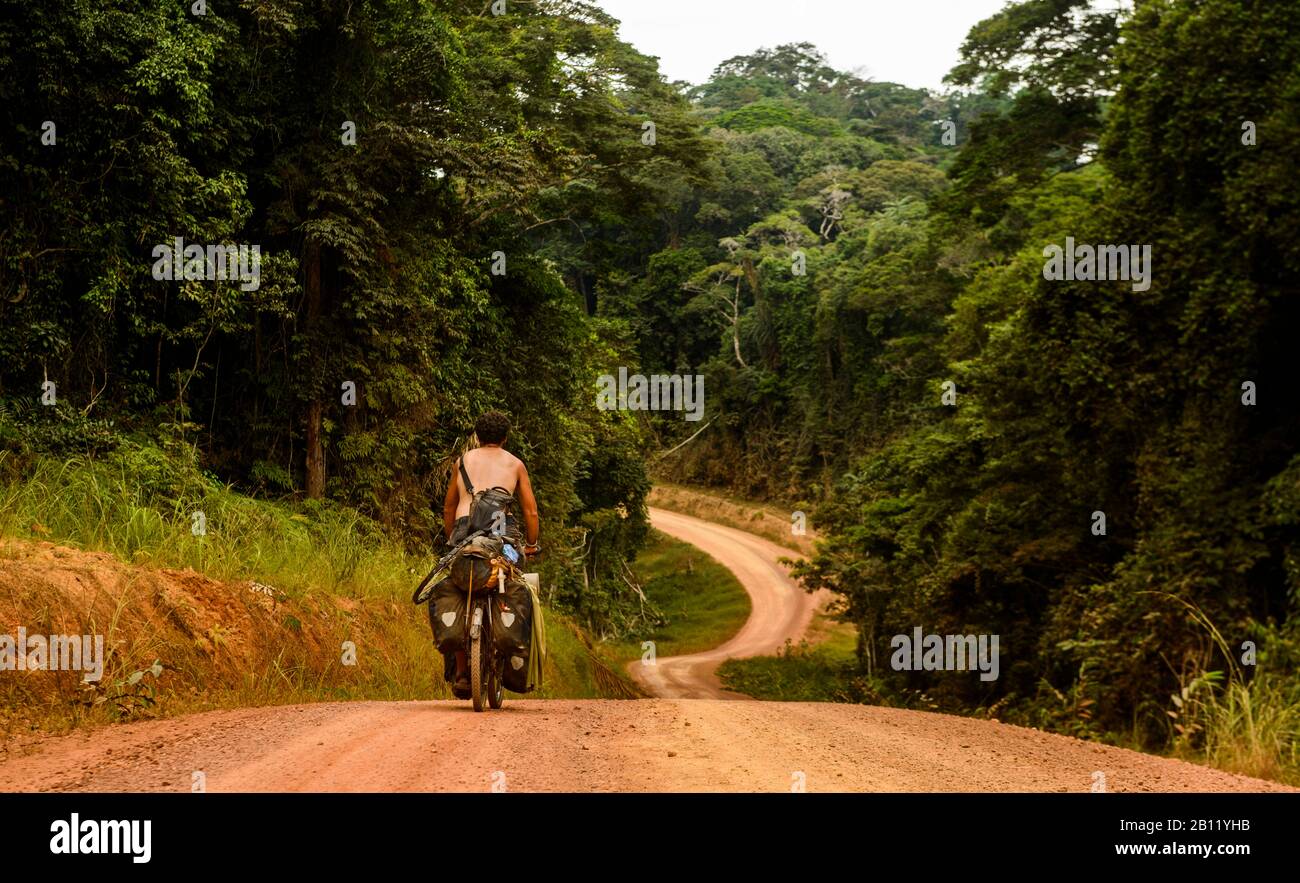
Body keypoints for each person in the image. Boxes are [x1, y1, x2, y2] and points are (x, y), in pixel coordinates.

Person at [437, 410, 539, 690]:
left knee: (459, 589)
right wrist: (530, 545)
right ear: (505, 437)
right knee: (513, 574)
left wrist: (453, 539)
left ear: (477, 436)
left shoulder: (463, 462)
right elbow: (530, 511)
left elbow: (448, 506)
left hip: (463, 533)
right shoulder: (515, 464)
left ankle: (461, 672)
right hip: (501, 535)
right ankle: (508, 651)